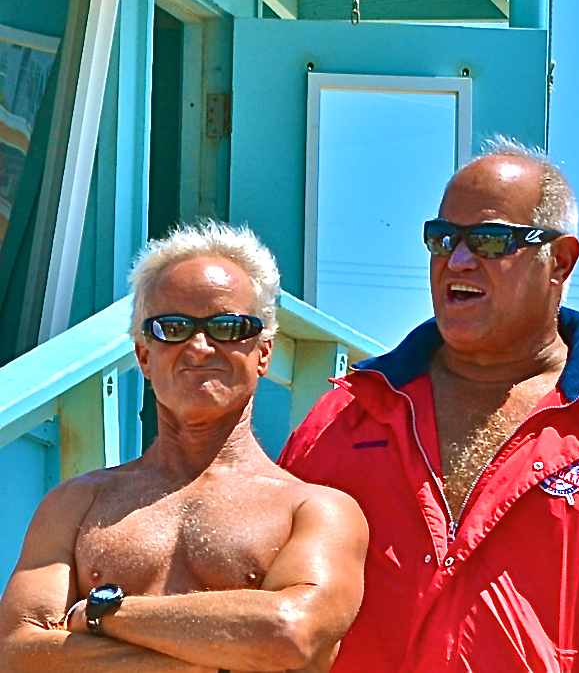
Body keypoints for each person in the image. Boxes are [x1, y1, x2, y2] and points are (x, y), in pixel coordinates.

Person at [279, 138, 579, 672]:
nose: (458, 260)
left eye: (490, 241)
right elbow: (273, 596)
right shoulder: (340, 418)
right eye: (442, 238)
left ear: (561, 261)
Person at [0, 222, 368, 672]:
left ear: (263, 352)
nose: (198, 346)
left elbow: (289, 634)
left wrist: (98, 614)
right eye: (173, 327)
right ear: (143, 356)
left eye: (228, 327)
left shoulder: (315, 510)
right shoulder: (77, 504)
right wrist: (223, 655)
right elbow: (18, 653)